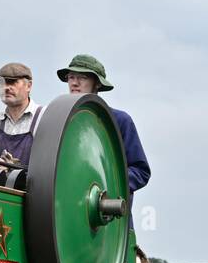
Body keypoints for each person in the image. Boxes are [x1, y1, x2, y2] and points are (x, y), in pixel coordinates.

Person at [57, 55, 151, 199]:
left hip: (108, 215)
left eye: (82, 77)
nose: (74, 83)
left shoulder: (120, 121)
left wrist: (108, 183)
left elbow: (141, 171)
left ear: (97, 83)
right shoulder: (60, 121)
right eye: (71, 77)